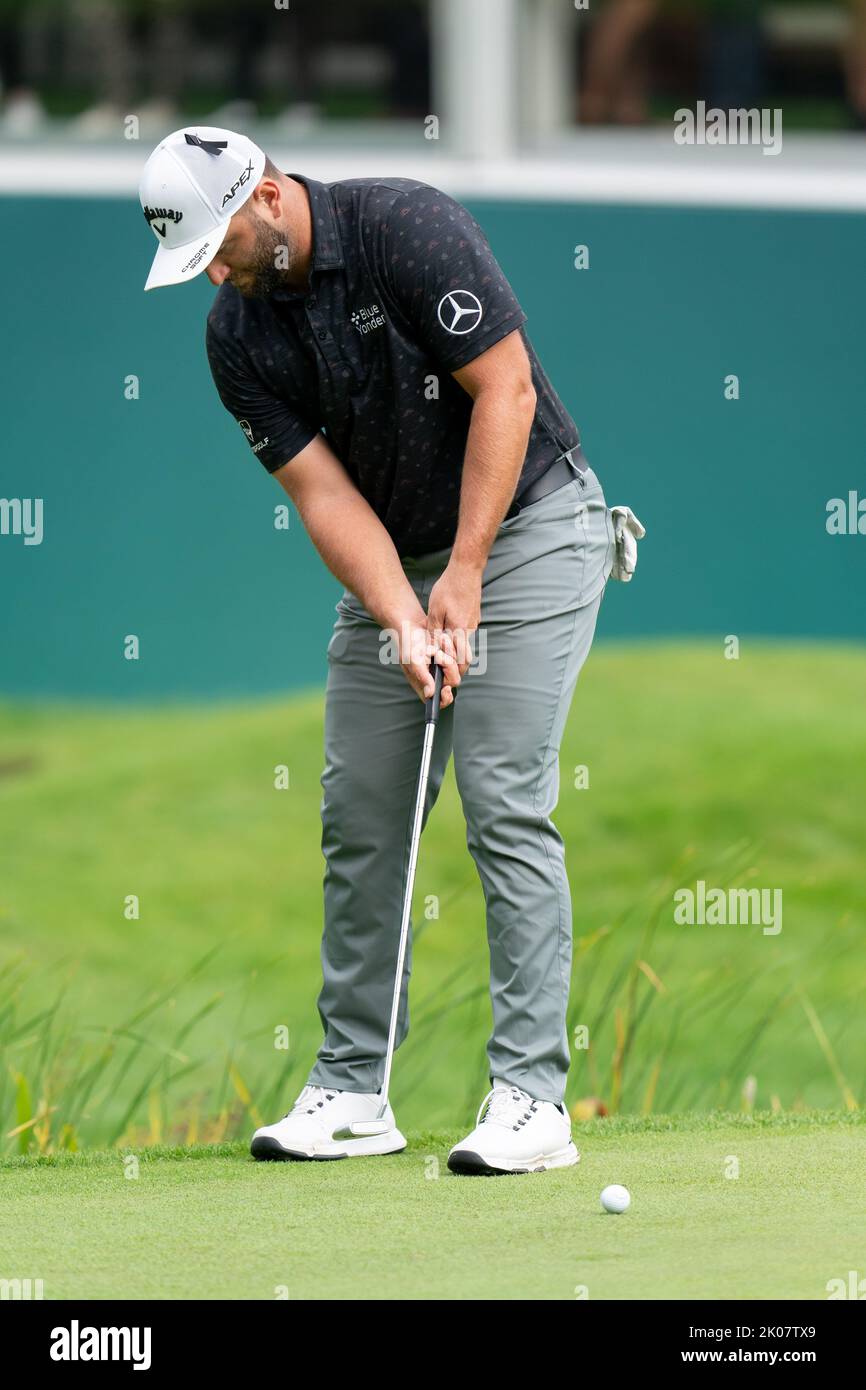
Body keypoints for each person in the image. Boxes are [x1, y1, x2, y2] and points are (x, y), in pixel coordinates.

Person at [138, 126, 618, 1176]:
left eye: (220, 244)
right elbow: (322, 493)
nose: (216, 273)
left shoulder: (404, 223)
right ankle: (353, 1088)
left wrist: (464, 574)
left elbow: (508, 390)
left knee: (500, 790)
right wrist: (402, 612)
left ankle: (531, 1098)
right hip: (395, 557)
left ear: (266, 194)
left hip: (530, 526)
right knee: (362, 812)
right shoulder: (238, 336)